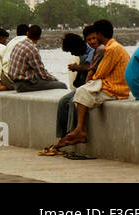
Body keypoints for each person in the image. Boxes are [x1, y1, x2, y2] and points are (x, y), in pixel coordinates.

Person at [55, 19, 130, 150]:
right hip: (110, 85)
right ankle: (78, 130)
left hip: (115, 88)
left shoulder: (111, 49)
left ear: (100, 34)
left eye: (95, 36)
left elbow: (100, 73)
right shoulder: (109, 47)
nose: (93, 40)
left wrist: (89, 78)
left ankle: (78, 131)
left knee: (81, 93)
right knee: (81, 93)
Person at [9, 25, 65, 92]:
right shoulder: (32, 50)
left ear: (27, 33)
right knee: (61, 85)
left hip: (15, 82)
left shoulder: (18, 44)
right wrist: (55, 79)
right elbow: (42, 73)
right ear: (39, 37)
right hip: (24, 84)